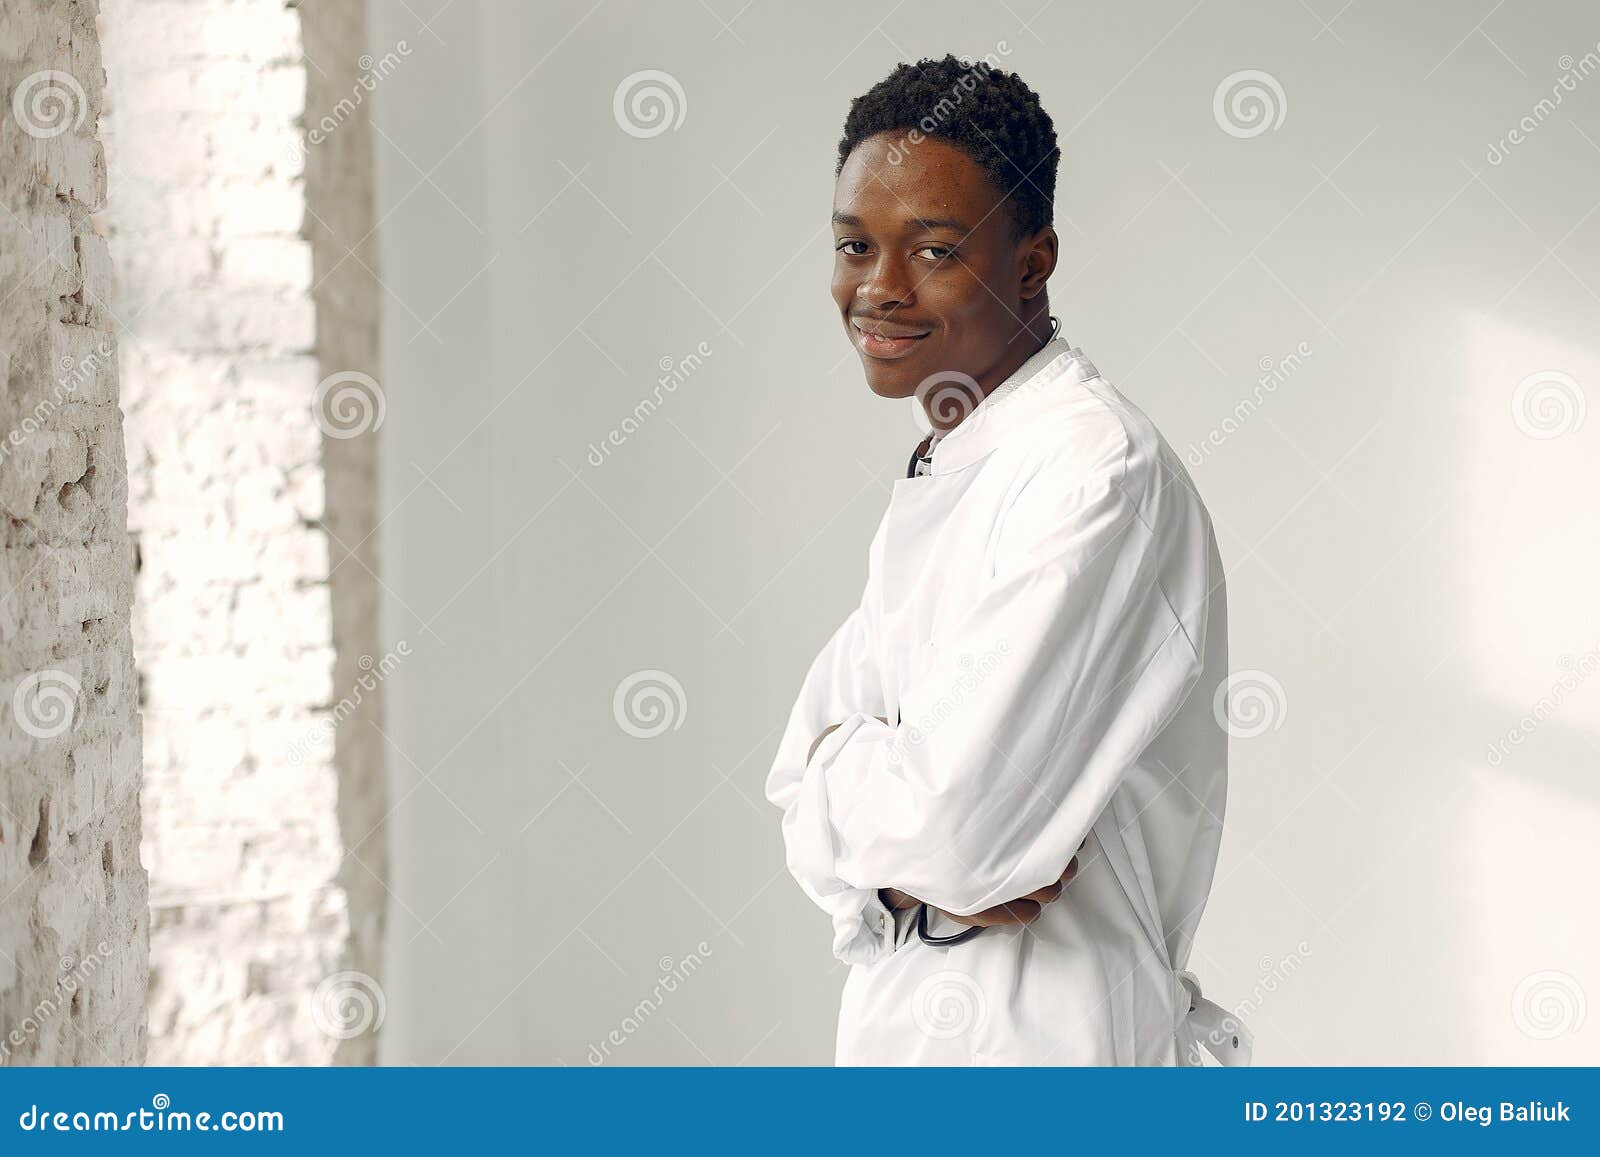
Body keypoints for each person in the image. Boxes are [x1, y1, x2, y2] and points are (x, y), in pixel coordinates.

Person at [764, 55, 1250, 1065]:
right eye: (856, 244)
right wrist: (891, 863)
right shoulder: (956, 457)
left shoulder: (1089, 471)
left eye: (933, 250)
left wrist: (882, 822)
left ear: (1033, 261)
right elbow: (792, 772)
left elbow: (959, 834)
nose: (878, 288)